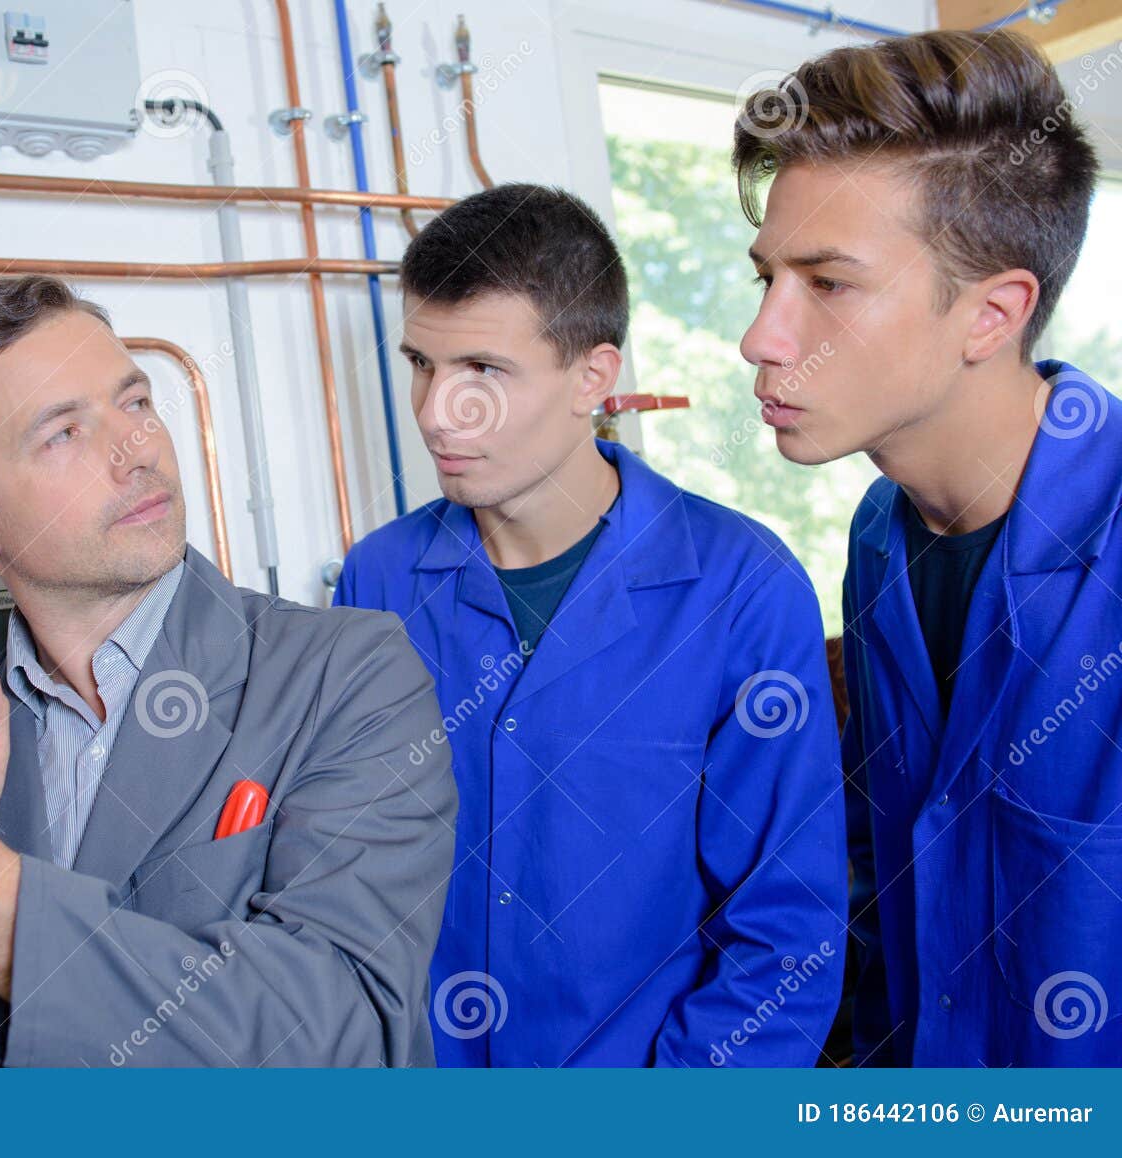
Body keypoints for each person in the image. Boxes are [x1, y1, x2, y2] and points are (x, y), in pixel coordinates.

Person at [0, 275, 457, 1066]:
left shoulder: (345, 671)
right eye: (63, 433)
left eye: (134, 403)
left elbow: (344, 1043)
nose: (137, 450)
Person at [334, 183, 846, 1066]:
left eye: (483, 373)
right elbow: (345, 880)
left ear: (593, 378)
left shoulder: (741, 591)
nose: (432, 412)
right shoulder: (377, 579)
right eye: (422, 363)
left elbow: (786, 933)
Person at [736, 29, 1120, 1065]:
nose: (762, 338)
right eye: (766, 277)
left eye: (827, 282)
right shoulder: (879, 534)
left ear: (990, 314)